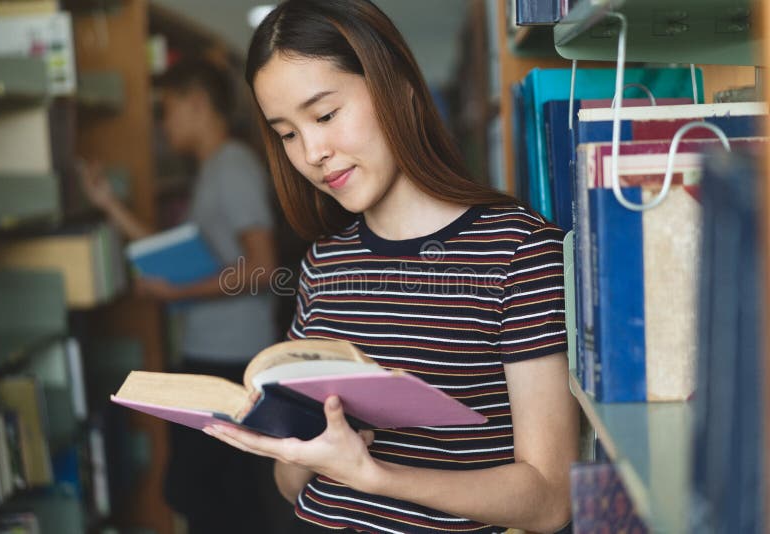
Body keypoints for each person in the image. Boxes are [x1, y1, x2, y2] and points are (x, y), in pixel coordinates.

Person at [204, 1, 580, 533]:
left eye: (326, 115)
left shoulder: (518, 251)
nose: (312, 152)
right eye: (287, 133)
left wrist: (373, 474)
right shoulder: (323, 264)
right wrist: (295, 452)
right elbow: (290, 485)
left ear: (396, 85)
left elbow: (549, 499)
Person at [80, 58, 278, 533]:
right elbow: (180, 255)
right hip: (212, 354)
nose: (162, 125)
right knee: (205, 492)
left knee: (215, 496)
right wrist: (109, 204)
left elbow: (262, 268)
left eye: (166, 110)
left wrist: (178, 292)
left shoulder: (232, 167)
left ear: (197, 104)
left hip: (232, 360)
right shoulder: (214, 168)